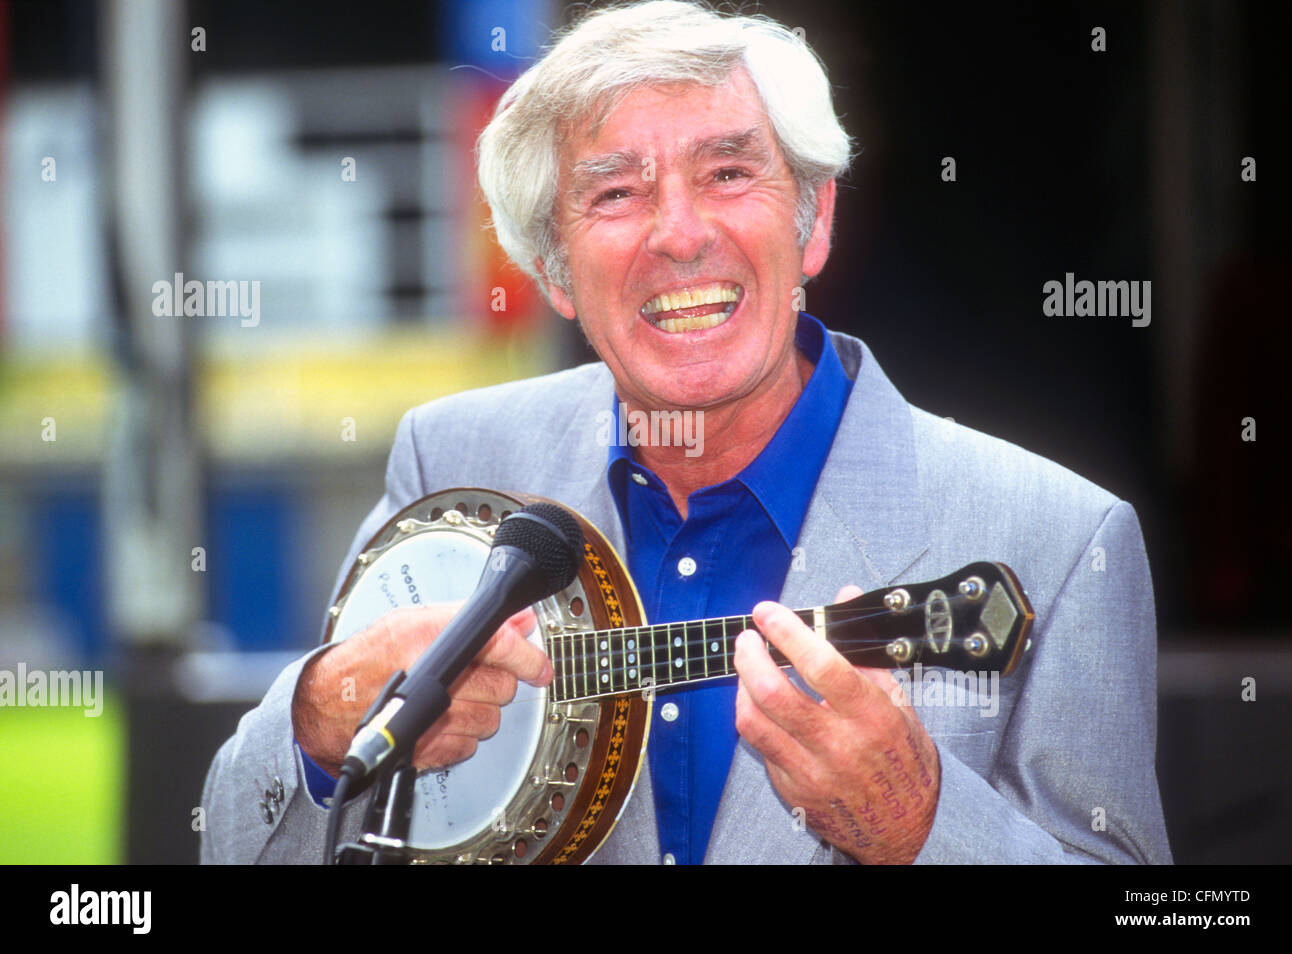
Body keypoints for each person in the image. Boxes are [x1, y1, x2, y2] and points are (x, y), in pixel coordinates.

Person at [201, 0, 1172, 865]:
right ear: (552, 272)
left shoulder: (1059, 537)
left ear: (813, 221)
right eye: (615, 192)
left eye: (727, 173)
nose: (678, 233)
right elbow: (238, 843)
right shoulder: (456, 459)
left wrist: (923, 828)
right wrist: (320, 724)